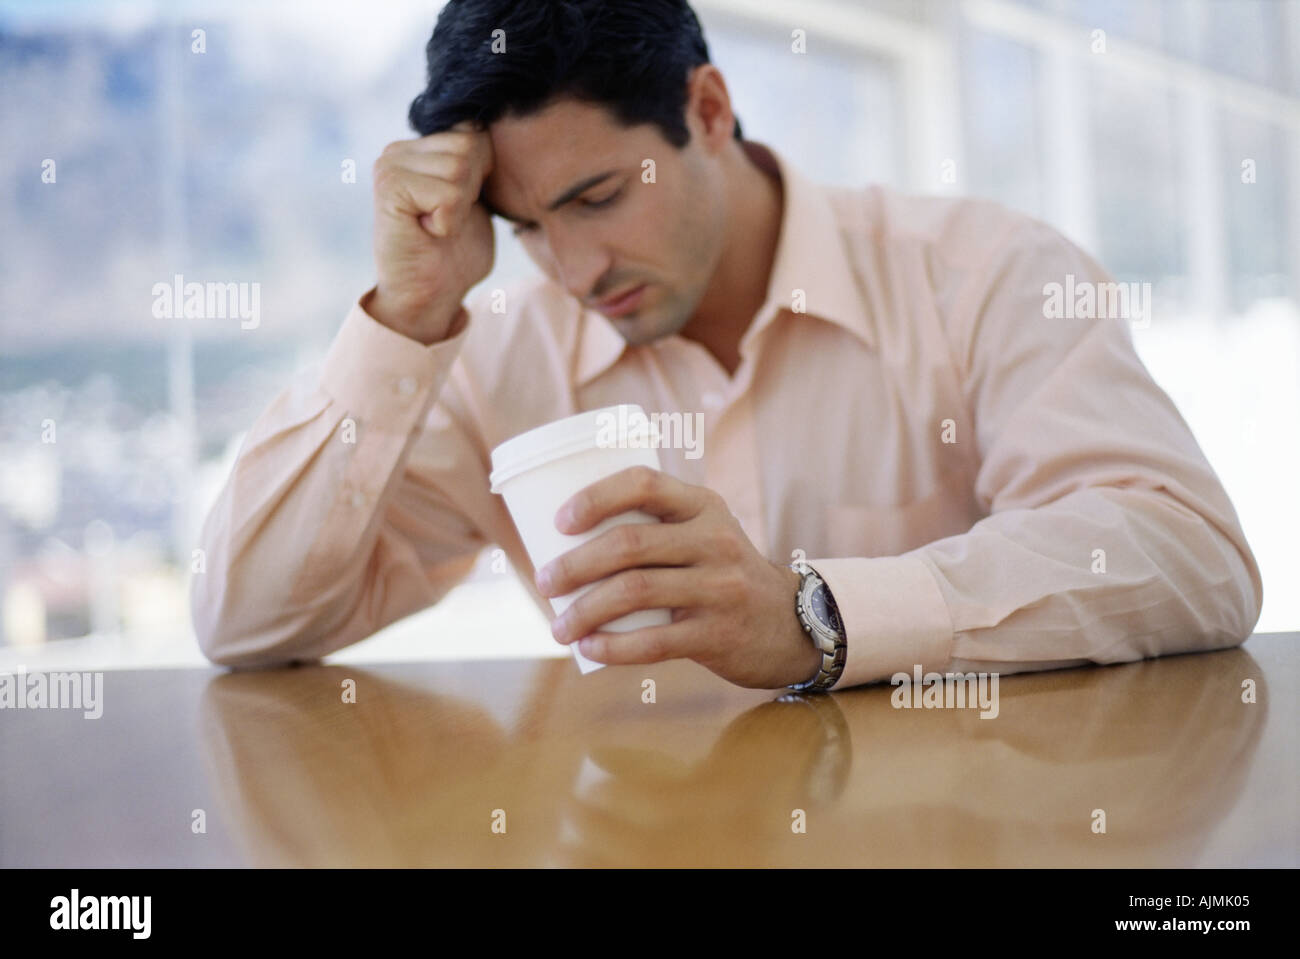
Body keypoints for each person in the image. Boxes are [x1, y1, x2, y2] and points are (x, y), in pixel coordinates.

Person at [191, 0, 1262, 692]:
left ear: (707, 109)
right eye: (523, 228)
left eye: (598, 197)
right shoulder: (493, 361)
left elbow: (1188, 554)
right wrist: (409, 312)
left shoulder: (982, 272)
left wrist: (819, 616)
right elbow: (246, 621)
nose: (569, 270)